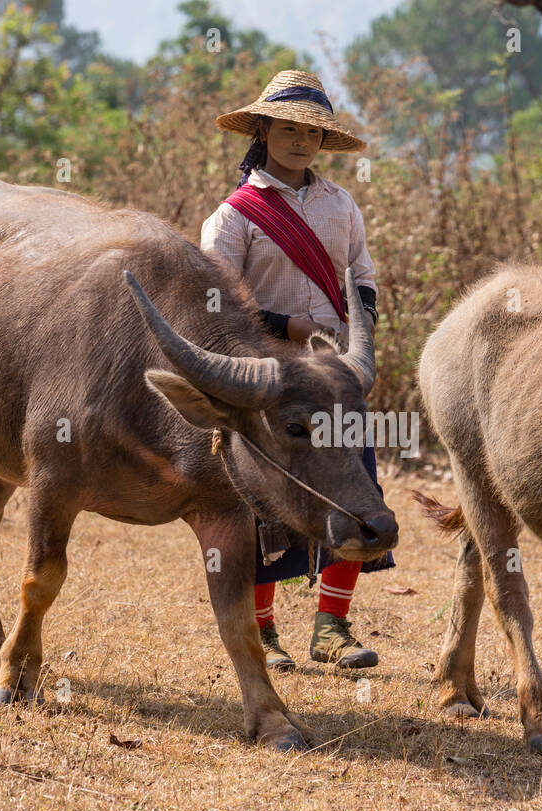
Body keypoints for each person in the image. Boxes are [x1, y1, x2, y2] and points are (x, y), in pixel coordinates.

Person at [201, 69, 394, 672]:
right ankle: (265, 634)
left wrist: (360, 337)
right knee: (262, 508)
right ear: (262, 130)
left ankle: (331, 627)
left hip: (334, 375)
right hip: (267, 379)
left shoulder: (341, 204)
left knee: (356, 488)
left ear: (323, 141)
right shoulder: (232, 217)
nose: (300, 141)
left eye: (311, 132)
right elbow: (216, 302)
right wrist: (289, 329)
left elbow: (361, 276)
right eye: (287, 128)